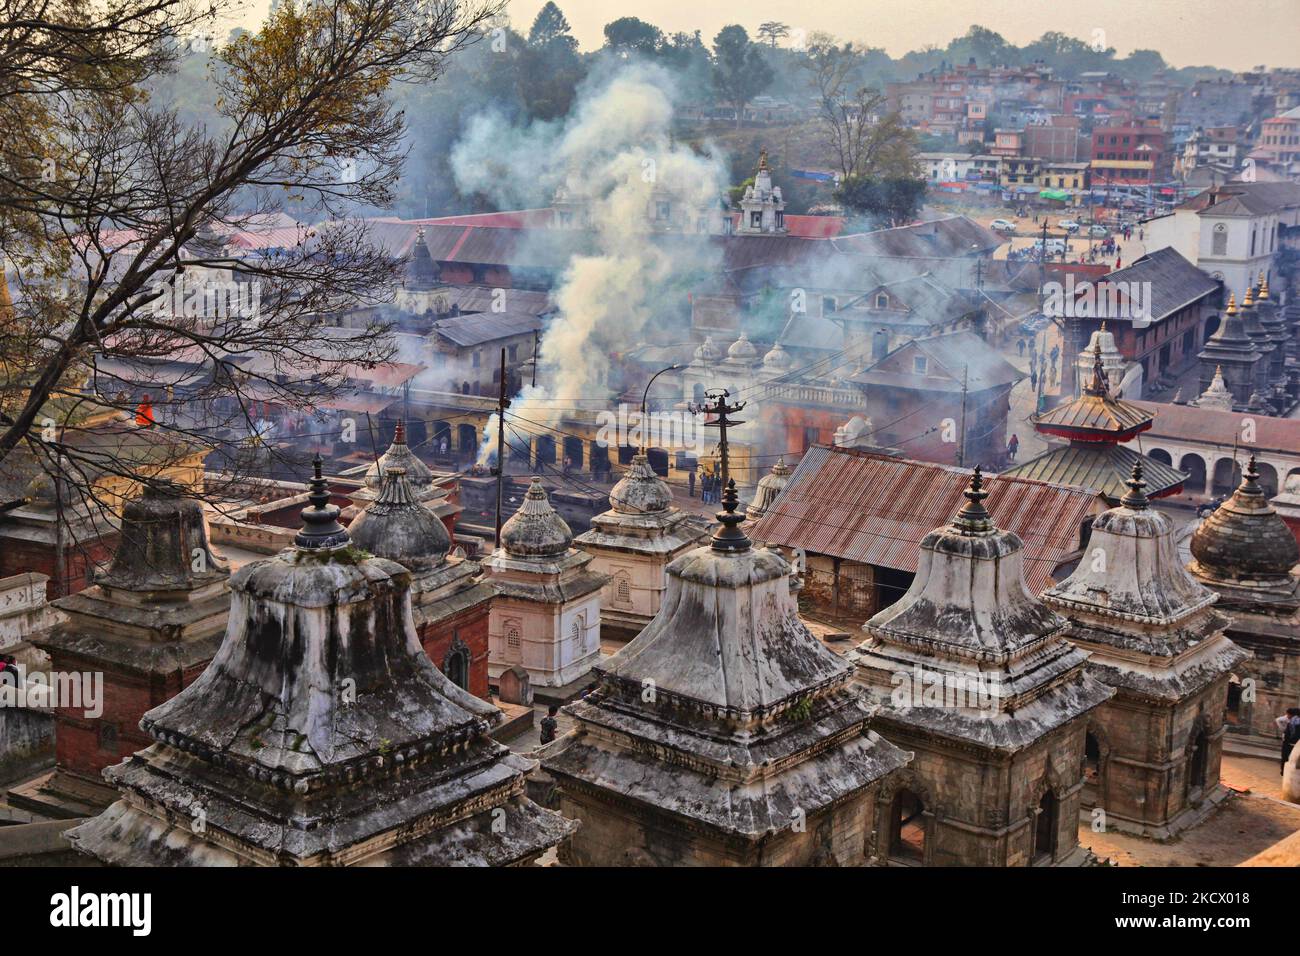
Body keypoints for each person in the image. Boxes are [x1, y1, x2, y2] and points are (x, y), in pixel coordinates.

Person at [1280, 707, 1300, 773]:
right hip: (1295, 744)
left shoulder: (1291, 722)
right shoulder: (1292, 722)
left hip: (1289, 743)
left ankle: (1284, 771)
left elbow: (1287, 735)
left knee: (1285, 758)